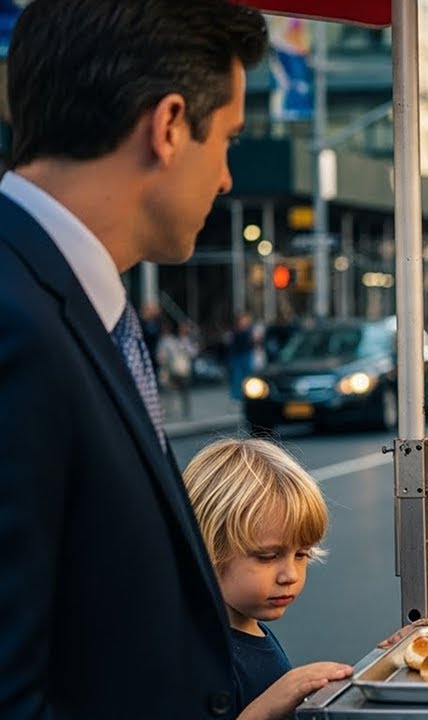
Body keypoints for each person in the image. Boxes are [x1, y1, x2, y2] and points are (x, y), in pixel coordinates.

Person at [0, 1, 268, 716]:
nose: (226, 180)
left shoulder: (71, 303)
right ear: (170, 126)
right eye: (229, 142)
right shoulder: (15, 321)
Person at [184, 438, 353, 720]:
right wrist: (277, 699)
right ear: (208, 547)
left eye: (301, 554)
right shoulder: (197, 660)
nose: (290, 575)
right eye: (267, 557)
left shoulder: (251, 629)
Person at [159, 319, 200, 418]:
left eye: (185, 328)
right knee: (170, 391)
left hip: (183, 370)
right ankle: (170, 411)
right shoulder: (172, 340)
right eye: (181, 327)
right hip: (172, 369)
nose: (183, 329)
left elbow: (194, 353)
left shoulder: (188, 341)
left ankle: (186, 412)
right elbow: (165, 354)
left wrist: (185, 348)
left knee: (184, 391)